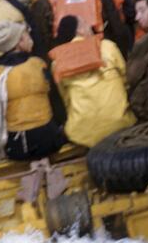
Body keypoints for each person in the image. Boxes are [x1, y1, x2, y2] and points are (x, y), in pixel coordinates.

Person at [50, 17, 135, 148]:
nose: (91, 26)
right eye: (86, 23)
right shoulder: (107, 46)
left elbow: (66, 99)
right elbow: (127, 81)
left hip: (83, 133)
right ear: (79, 30)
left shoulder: (57, 63)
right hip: (121, 123)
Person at [0, 19, 66, 161]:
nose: (31, 40)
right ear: (18, 43)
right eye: (27, 36)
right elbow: (55, 98)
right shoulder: (37, 64)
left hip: (17, 146)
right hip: (47, 139)